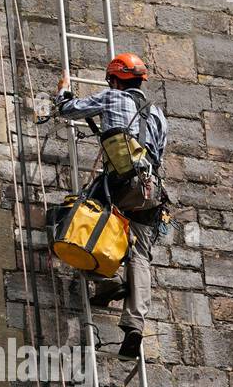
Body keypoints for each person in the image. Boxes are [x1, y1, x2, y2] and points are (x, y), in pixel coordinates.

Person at [55, 53, 169, 359]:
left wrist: (64, 88)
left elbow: (67, 110)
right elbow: (158, 154)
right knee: (140, 255)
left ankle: (110, 281)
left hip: (120, 183)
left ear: (115, 80)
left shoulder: (112, 97)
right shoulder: (158, 115)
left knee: (77, 221)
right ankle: (134, 323)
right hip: (151, 191)